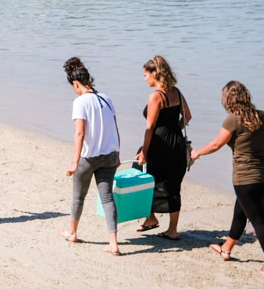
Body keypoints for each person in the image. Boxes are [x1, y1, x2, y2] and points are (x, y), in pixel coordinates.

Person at [191, 80, 264, 277]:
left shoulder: (233, 120)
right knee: (239, 214)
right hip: (263, 177)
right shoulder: (262, 117)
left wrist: (197, 152)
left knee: (258, 221)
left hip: (244, 179)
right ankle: (226, 249)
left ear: (228, 99)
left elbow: (217, 144)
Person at [59, 57, 121, 256]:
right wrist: (117, 152)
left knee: (78, 196)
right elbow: (115, 127)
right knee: (108, 199)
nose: (74, 90)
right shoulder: (107, 98)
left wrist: (74, 162)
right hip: (110, 155)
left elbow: (80, 133)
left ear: (76, 83)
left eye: (72, 87)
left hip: (89, 158)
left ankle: (72, 232)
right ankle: (113, 244)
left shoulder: (80, 102)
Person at [133, 56, 191, 240]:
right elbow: (187, 117)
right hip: (177, 145)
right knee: (174, 187)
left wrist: (144, 152)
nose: (144, 79)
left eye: (145, 75)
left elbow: (149, 127)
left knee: (141, 176)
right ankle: (172, 230)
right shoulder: (177, 93)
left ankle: (150, 217)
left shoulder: (156, 96)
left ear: (154, 74)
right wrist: (175, 130)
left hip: (160, 146)